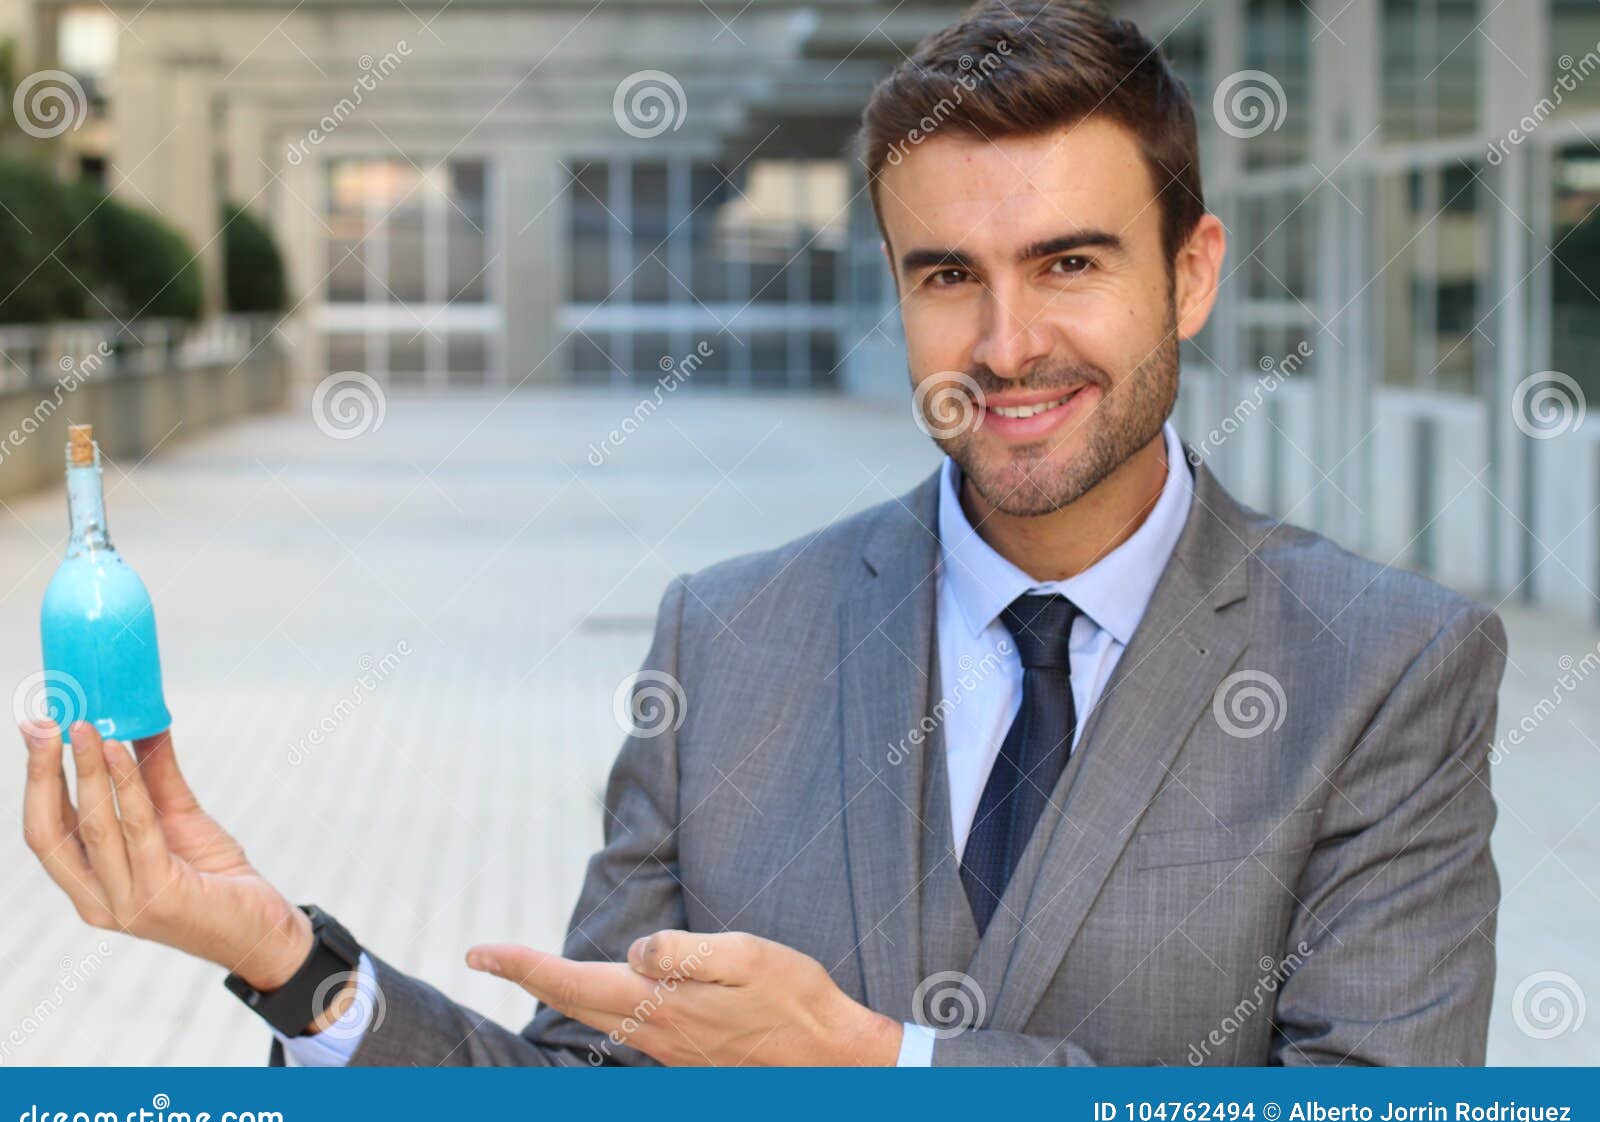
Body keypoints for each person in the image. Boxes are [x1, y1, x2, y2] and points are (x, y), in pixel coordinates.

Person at [20, 0, 1504, 1066]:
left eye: (1068, 262)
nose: (1005, 342)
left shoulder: (1383, 670)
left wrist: (883, 1068)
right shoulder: (729, 640)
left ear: (1191, 273)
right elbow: (592, 1104)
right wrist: (291, 963)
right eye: (946, 275)